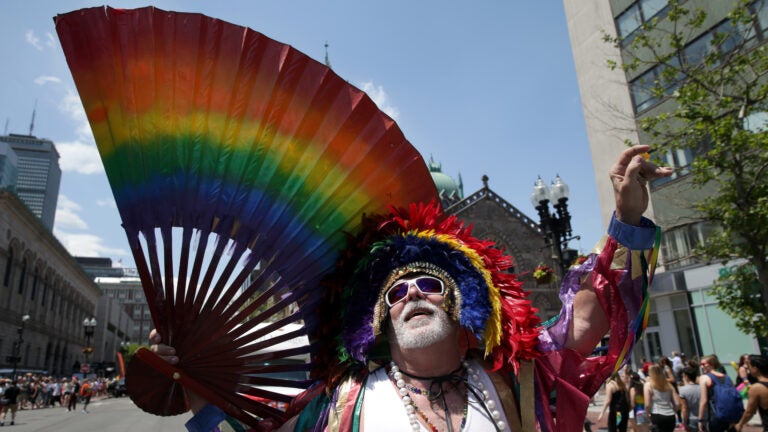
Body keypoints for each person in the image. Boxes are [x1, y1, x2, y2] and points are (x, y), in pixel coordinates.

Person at [151, 145, 673, 431]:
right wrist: (194, 375)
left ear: (457, 302)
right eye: (394, 293)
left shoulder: (516, 381)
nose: (411, 294)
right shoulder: (339, 404)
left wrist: (627, 218)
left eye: (428, 283)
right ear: (378, 322)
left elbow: (584, 323)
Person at [699, 354, 741, 432]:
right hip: (730, 416)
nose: (701, 367)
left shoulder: (704, 378)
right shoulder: (727, 377)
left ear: (712, 364)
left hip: (715, 416)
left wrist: (700, 420)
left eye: (703, 364)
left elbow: (703, 401)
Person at [735, 354, 768, 431]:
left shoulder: (756, 388)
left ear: (755, 369)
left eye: (749, 367)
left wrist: (740, 424)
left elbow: (750, 412)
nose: (748, 370)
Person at [645, 364, 680, 432]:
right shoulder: (669, 385)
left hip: (657, 413)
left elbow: (647, 404)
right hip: (670, 415)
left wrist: (647, 414)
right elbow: (677, 403)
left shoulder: (648, 385)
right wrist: (674, 411)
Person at [679, 366, 701, 431]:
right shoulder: (702, 388)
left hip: (691, 419)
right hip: (704, 417)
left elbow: (684, 408)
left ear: (686, 377)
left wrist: (685, 423)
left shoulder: (683, 390)